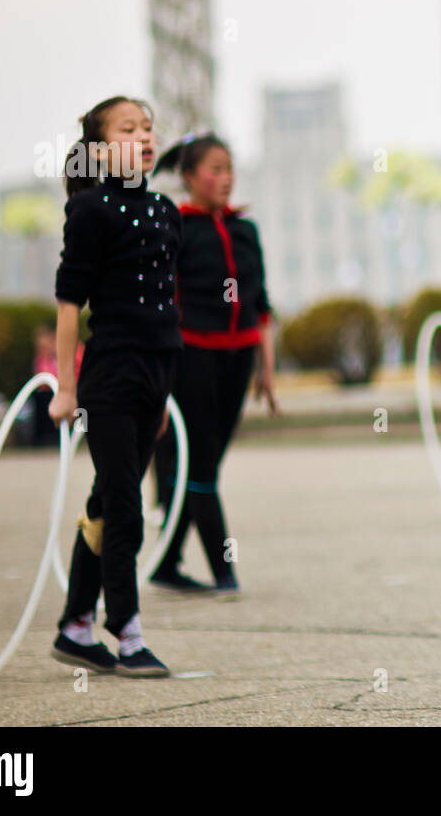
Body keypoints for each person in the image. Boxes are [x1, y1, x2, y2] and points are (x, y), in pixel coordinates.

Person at [49, 95, 182, 677]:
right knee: (126, 509)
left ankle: (75, 626)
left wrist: (166, 391)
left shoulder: (163, 209)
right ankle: (126, 633)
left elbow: (167, 304)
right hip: (109, 376)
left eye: (148, 127)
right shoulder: (91, 211)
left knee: (107, 503)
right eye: (129, 128)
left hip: (155, 373)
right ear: (102, 149)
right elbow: (69, 305)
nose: (144, 135)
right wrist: (66, 388)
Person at [149, 132, 278, 596]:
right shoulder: (174, 226)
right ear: (188, 177)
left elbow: (260, 305)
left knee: (204, 463)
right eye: (214, 169)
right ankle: (225, 573)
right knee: (201, 464)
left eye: (229, 169)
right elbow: (163, 302)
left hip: (238, 356)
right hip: (191, 358)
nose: (225, 179)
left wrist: (266, 369)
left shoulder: (246, 230)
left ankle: (166, 562)